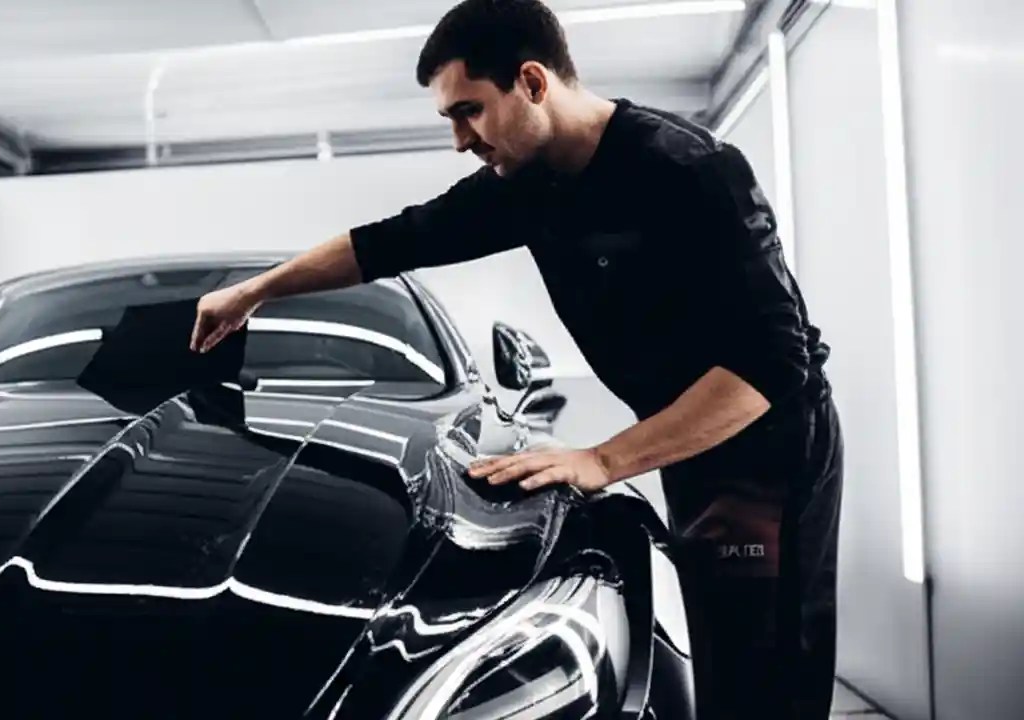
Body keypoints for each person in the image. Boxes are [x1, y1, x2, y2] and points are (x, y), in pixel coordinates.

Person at [189, 0, 843, 717]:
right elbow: (391, 242)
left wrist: (602, 460)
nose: (461, 141)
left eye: (469, 111)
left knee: (767, 671)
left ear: (532, 81)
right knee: (720, 651)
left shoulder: (691, 169)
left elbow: (774, 366)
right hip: (689, 439)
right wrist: (256, 291)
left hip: (770, 450)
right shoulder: (525, 187)